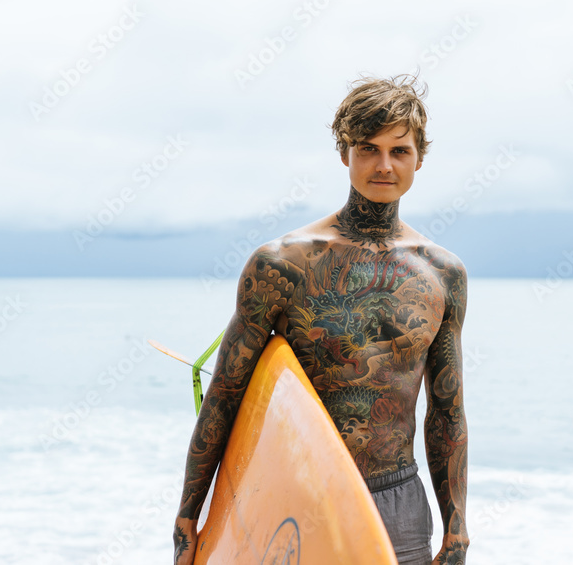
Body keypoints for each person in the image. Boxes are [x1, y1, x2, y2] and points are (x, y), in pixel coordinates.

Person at [172, 74, 469, 564]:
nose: (383, 165)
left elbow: (447, 411)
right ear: (344, 153)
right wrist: (189, 514)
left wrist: (456, 528)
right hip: (293, 496)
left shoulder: (442, 274)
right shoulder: (283, 263)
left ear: (420, 157)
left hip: (399, 505)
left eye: (400, 151)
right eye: (367, 149)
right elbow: (226, 392)